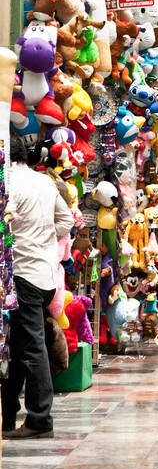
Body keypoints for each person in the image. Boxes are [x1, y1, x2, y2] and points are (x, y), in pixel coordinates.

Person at [1, 132, 75, 440]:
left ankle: (40, 418)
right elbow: (67, 220)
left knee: (30, 347)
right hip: (44, 273)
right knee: (20, 343)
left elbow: (4, 224)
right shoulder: (43, 181)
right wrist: (44, 237)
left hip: (24, 274)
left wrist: (21, 238)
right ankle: (9, 413)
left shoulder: (10, 184)